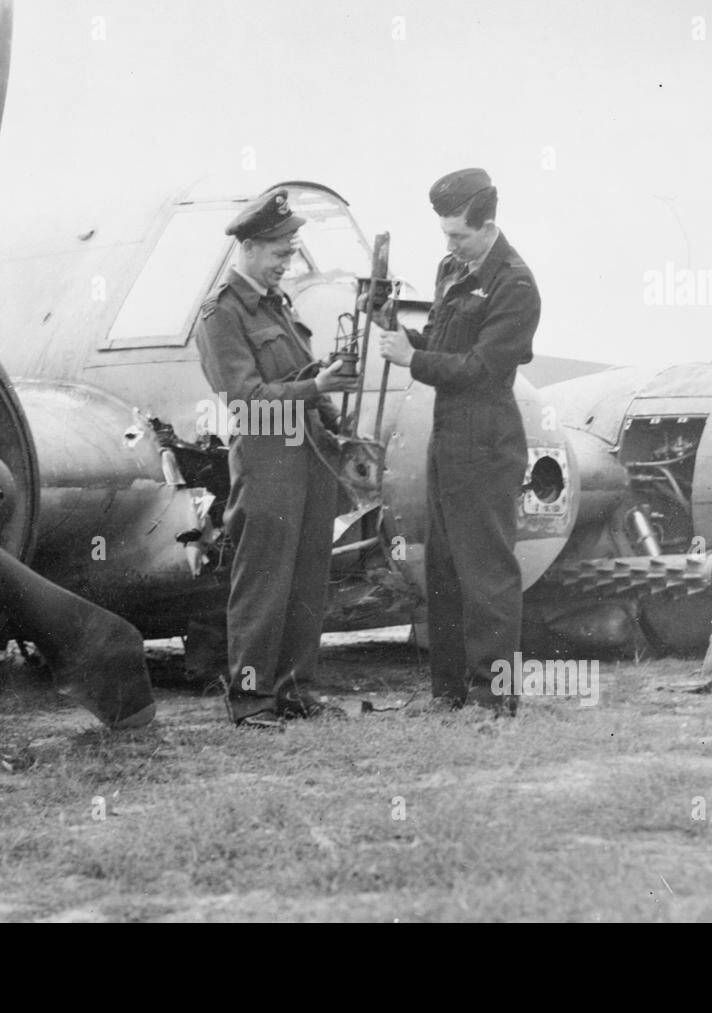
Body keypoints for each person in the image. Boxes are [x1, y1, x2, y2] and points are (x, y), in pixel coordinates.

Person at [377, 168, 541, 714]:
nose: (449, 245)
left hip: (487, 438)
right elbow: (447, 344)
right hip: (448, 436)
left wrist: (413, 360)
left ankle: (493, 696)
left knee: (487, 573)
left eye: (459, 235)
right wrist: (407, 337)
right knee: (444, 569)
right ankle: (448, 693)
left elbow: (481, 368)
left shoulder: (515, 284)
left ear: (488, 225)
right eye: (445, 233)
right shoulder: (454, 267)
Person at [194, 187, 359, 728]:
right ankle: (251, 698)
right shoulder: (222, 314)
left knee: (308, 576)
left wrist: (334, 413)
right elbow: (246, 399)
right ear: (247, 247)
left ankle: (294, 691)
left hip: (309, 455)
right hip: (267, 460)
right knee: (264, 579)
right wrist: (316, 390)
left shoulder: (274, 306)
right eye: (278, 254)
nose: (286, 264)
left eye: (290, 253)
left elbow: (299, 375)